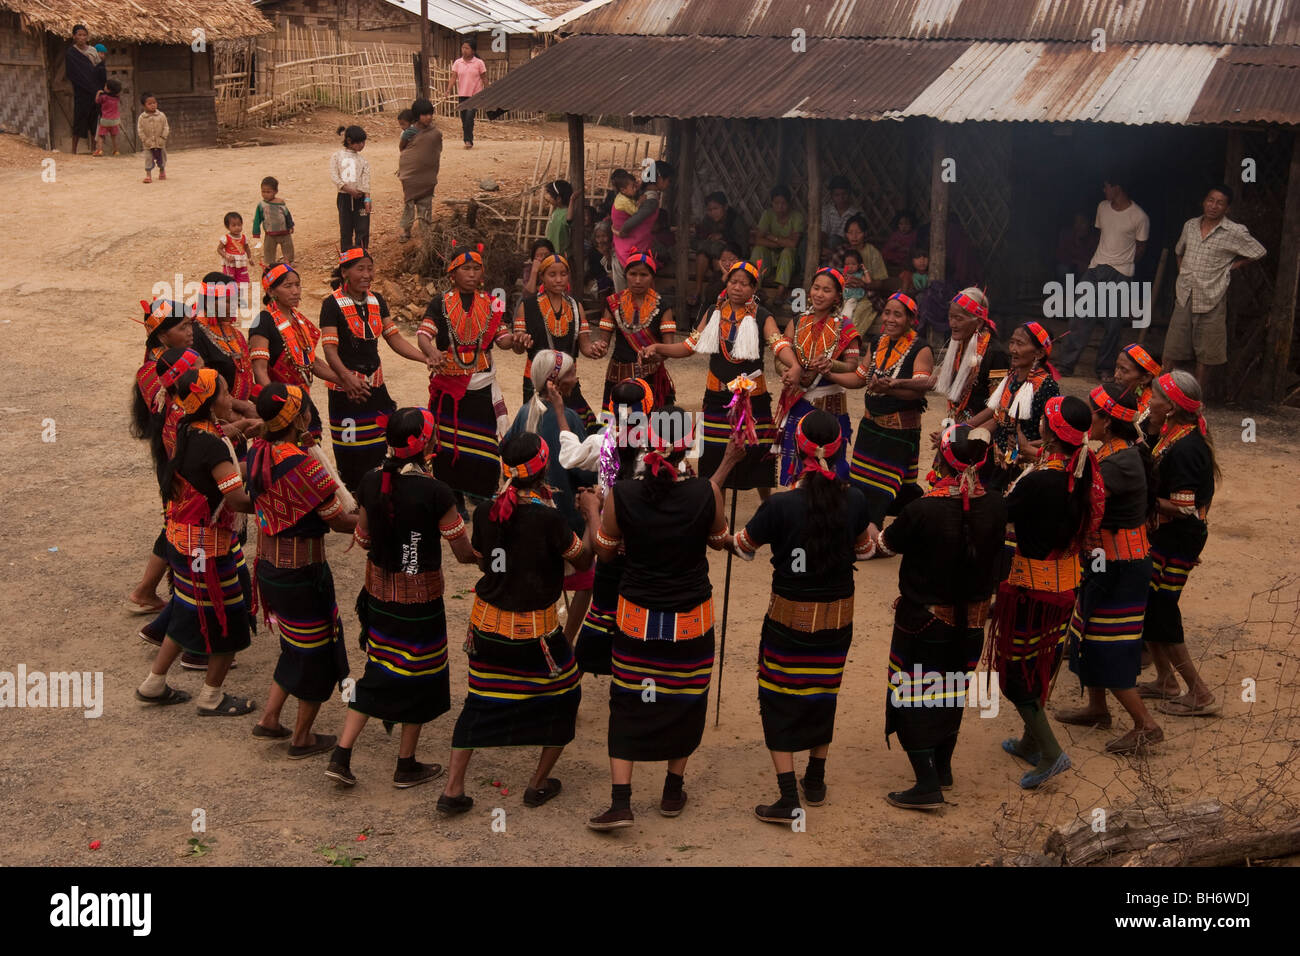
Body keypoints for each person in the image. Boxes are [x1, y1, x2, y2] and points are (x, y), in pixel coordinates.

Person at [437, 433, 599, 815]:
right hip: (536, 637)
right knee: (566, 695)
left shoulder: (485, 513)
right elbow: (584, 561)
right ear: (543, 470)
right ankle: (537, 784)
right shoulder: (548, 519)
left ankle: (453, 789)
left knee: (479, 701)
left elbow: (488, 562)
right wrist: (593, 513)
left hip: (486, 629)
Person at [725, 413, 874, 822]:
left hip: (787, 623)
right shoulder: (855, 499)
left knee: (778, 698)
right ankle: (815, 780)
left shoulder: (780, 504)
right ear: (839, 447)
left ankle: (789, 797)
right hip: (837, 622)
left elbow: (743, 546)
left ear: (800, 449)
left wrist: (719, 534)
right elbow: (865, 552)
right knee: (824, 693)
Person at [587, 406, 730, 830]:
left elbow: (605, 551)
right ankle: (671, 790)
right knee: (685, 701)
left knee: (628, 701)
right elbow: (720, 541)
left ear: (648, 441)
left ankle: (621, 802)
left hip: (636, 620)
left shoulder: (624, 494)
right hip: (690, 622)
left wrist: (592, 511)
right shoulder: (707, 492)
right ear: (687, 444)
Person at [325, 409, 477, 789]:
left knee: (381, 665)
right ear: (424, 444)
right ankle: (392, 762)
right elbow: (461, 551)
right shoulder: (435, 491)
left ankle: (360, 756)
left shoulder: (371, 481)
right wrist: (495, 555)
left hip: (378, 593)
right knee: (419, 675)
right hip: (420, 600)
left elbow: (361, 539)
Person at [876, 423, 1006, 809]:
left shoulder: (923, 508)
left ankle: (927, 782)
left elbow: (884, 544)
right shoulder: (997, 503)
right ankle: (943, 767)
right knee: (950, 690)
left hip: (925, 621)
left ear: (941, 460)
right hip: (973, 623)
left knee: (912, 697)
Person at [989, 395, 1103, 788]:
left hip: (1032, 589)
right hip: (1064, 586)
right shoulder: (1081, 470)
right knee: (1041, 660)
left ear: (1051, 433)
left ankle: (1052, 754)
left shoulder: (1041, 480)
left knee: (1016, 673)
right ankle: (1030, 741)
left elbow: (1003, 513)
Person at [135, 368, 256, 716]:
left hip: (183, 540)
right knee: (229, 617)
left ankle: (154, 683)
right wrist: (274, 498)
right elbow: (236, 499)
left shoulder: (190, 427)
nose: (230, 398)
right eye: (223, 393)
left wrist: (252, 438)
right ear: (208, 401)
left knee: (187, 609)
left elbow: (220, 467)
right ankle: (211, 697)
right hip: (205, 547)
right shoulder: (212, 445)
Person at [247, 384, 357, 756]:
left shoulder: (259, 451)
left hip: (268, 567)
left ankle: (270, 717)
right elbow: (339, 520)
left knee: (293, 643)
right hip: (302, 573)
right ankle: (302, 737)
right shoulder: (304, 464)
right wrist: (370, 522)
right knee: (317, 654)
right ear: (298, 418)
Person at [1055, 386, 1164, 755]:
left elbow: (1077, 500)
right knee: (1087, 634)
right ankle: (1098, 709)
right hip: (1108, 561)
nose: (1088, 419)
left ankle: (1146, 724)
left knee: (1108, 644)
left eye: (1092, 414)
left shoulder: (1117, 464)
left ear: (1107, 421)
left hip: (1120, 566)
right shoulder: (1118, 453)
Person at [646, 259, 780, 495]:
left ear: (754, 288)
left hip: (753, 397)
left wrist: (793, 365)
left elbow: (779, 345)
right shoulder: (712, 312)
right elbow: (689, 346)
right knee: (716, 453)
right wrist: (658, 347)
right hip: (717, 396)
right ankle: (717, 509)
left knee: (758, 454)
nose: (738, 287)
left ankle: (766, 506)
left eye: (745, 284)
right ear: (726, 283)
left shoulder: (763, 316)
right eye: (733, 282)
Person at [1140, 371, 1220, 718]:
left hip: (1177, 539)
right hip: (1166, 535)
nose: (1149, 400)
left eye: (1154, 396)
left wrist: (1141, 501)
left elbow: (1184, 507)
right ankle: (1165, 682)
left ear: (1170, 406)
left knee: (1162, 609)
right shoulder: (1173, 434)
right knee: (1151, 605)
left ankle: (1199, 692)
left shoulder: (1187, 448)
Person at [510, 351, 601, 643]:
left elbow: (507, 451)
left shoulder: (524, 412)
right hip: (564, 518)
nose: (576, 378)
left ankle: (537, 637)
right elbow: (583, 472)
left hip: (526, 515)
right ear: (555, 382)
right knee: (585, 583)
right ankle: (566, 642)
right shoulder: (570, 419)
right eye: (571, 374)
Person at [320, 248, 429, 492]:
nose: (367, 274)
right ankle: (356, 500)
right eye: (360, 268)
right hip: (346, 390)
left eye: (370, 268)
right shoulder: (331, 304)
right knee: (350, 449)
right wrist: (347, 380)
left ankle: (378, 492)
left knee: (379, 442)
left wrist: (425, 358)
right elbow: (329, 351)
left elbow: (394, 338)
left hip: (375, 385)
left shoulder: (377, 300)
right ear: (344, 272)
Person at [418, 244, 515, 515]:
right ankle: (453, 495)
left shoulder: (493, 303)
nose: (471, 274)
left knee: (484, 440)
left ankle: (481, 491)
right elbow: (424, 335)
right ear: (453, 273)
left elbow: (502, 338)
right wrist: (432, 352)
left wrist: (515, 342)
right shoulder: (440, 302)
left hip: (482, 380)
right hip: (450, 385)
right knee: (449, 442)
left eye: (476, 269)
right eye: (465, 269)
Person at [566, 378, 653, 675]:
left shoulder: (601, 441)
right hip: (644, 551)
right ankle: (636, 670)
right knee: (639, 619)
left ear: (612, 409)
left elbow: (569, 457)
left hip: (608, 544)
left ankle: (584, 672)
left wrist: (593, 507)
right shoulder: (658, 450)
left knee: (603, 613)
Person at [830, 292, 934, 527]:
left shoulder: (921, 349)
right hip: (870, 428)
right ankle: (896, 528)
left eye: (898, 314)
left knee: (882, 489)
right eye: (887, 313)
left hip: (898, 433)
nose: (890, 319)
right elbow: (859, 378)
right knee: (862, 484)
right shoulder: (877, 343)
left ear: (910, 320)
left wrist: (891, 388)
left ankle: (874, 534)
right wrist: (827, 373)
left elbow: (920, 387)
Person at [127, 301, 196, 616]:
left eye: (190, 325)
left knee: (178, 520)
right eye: (183, 327)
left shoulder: (173, 359)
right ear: (162, 336)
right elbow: (184, 411)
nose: (191, 332)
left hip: (184, 451)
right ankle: (148, 589)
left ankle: (148, 589)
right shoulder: (152, 371)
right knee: (179, 521)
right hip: (176, 455)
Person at [1168, 184, 1267, 389]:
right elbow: (1179, 251)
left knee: (1206, 354)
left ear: (1227, 208)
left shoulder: (1234, 231)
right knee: (1173, 349)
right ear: (1204, 202)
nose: (1213, 206)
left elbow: (1258, 251)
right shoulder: (1190, 226)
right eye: (1210, 200)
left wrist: (1232, 266)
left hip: (1211, 297)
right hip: (1185, 294)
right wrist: (1183, 273)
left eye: (1219, 203)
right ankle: (1162, 393)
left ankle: (1197, 401)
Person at [1053, 174, 1149, 380]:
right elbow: (1100, 236)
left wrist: (1123, 264)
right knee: (1080, 317)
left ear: (1118, 188)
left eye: (1106, 187)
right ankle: (1066, 365)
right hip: (1096, 268)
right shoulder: (1102, 208)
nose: (1104, 191)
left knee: (1113, 323)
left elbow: (1141, 247)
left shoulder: (1139, 216)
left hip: (1121, 273)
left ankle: (1105, 368)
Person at [770, 267, 860, 484]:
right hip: (799, 401)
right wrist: (788, 372)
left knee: (835, 462)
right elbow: (779, 358)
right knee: (797, 463)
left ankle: (834, 508)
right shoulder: (798, 321)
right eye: (816, 288)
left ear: (838, 296)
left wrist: (831, 365)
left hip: (830, 404)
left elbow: (852, 365)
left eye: (826, 290)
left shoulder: (846, 327)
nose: (819, 294)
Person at [249, 264, 340, 444]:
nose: (295, 291)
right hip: (281, 407)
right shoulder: (263, 321)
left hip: (304, 403)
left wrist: (344, 379)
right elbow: (259, 369)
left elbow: (310, 361)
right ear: (271, 291)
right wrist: (278, 405)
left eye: (297, 285)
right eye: (288, 286)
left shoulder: (298, 320)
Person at [512, 253, 602, 431]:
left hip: (567, 381)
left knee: (577, 428)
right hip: (536, 381)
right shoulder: (527, 306)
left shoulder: (576, 306)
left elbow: (585, 347)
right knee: (539, 430)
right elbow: (518, 349)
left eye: (563, 274)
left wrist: (597, 348)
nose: (559, 279)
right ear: (542, 277)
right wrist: (520, 342)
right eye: (552, 275)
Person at [976, 321, 1060, 493]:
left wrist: (1026, 447)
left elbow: (1054, 435)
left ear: (1039, 352)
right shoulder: (1012, 377)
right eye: (1012, 342)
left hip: (1026, 466)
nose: (1013, 349)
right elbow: (998, 418)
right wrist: (968, 433)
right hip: (999, 462)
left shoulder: (1047, 386)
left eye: (1020, 344)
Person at [593, 250, 676, 408]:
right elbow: (604, 344)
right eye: (633, 274)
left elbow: (669, 349)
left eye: (644, 275)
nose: (638, 280)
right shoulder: (613, 303)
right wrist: (598, 348)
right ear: (625, 275)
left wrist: (654, 357)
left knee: (650, 426)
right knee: (617, 424)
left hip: (650, 376)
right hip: (617, 375)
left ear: (652, 276)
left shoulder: (663, 306)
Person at [928, 289, 1008, 440]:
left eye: (958, 318)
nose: (952, 324)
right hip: (957, 430)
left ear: (978, 322)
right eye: (950, 317)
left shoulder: (995, 354)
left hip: (980, 436)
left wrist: (959, 431)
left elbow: (997, 405)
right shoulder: (960, 345)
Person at [613, 163, 674, 290]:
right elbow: (631, 222)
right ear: (659, 178)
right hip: (631, 247)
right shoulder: (650, 201)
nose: (669, 184)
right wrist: (621, 232)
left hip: (632, 245)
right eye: (668, 180)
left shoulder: (639, 193)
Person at [690, 192, 749, 308]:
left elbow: (743, 248)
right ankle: (697, 290)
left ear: (725, 207)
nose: (713, 213)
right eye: (710, 210)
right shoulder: (708, 220)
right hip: (712, 255)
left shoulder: (736, 221)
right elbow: (696, 241)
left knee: (719, 260)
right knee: (701, 255)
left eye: (716, 208)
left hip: (731, 259)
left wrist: (724, 239)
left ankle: (722, 295)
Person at [832, 216, 888, 337]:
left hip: (867, 296)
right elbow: (831, 277)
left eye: (858, 232)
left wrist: (864, 284)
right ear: (846, 234)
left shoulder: (873, 252)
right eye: (850, 233)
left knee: (856, 318)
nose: (854, 236)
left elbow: (880, 283)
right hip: (843, 294)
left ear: (865, 233)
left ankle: (849, 345)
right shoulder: (841, 252)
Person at [750, 185, 805, 305]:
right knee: (758, 250)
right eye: (776, 203)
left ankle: (780, 293)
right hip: (770, 257)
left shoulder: (796, 217)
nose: (780, 207)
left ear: (789, 203)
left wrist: (770, 236)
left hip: (790, 261)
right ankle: (756, 289)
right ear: (772, 203)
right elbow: (757, 240)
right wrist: (781, 242)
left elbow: (793, 244)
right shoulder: (768, 215)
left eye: (783, 203)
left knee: (787, 252)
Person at [398, 99, 442, 243]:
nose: (428, 117)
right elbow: (403, 150)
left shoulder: (435, 133)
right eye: (424, 114)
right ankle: (406, 230)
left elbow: (435, 151)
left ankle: (425, 232)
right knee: (409, 202)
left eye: (430, 114)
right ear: (417, 115)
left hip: (427, 176)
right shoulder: (409, 133)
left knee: (426, 203)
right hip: (411, 176)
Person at [330, 125, 371, 252]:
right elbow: (334, 176)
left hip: (361, 199)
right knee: (345, 228)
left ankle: (361, 254)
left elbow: (366, 181)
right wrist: (348, 189)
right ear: (349, 141)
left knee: (363, 228)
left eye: (364, 142)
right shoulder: (337, 156)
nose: (362, 145)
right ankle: (347, 258)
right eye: (359, 142)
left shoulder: (363, 161)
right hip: (344, 198)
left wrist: (367, 199)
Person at [65, 26, 104, 155]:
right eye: (79, 35)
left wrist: (100, 88)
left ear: (87, 37)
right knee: (79, 118)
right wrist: (85, 83)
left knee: (94, 118)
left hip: (95, 91)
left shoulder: (93, 51)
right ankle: (73, 150)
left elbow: (99, 68)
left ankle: (94, 148)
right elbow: (72, 73)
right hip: (81, 91)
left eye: (84, 35)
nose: (82, 38)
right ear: (74, 36)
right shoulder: (71, 53)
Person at [1114, 342, 1161, 428]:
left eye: (1124, 370)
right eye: (1117, 367)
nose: (1116, 375)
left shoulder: (1148, 412)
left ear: (1145, 378)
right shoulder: (1128, 395)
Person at [251, 176, 295, 270]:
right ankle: (270, 265)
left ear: (275, 191)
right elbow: (257, 219)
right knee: (269, 250)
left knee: (288, 247)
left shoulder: (280, 203)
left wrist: (290, 226)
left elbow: (287, 214)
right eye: (263, 191)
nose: (265, 194)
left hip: (284, 232)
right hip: (270, 233)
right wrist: (256, 232)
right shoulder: (261, 205)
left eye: (268, 192)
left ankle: (288, 261)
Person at [449, 40, 487, 149]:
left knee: (470, 117)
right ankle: (468, 138)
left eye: (467, 48)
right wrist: (448, 90)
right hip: (462, 95)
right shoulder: (458, 63)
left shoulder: (479, 63)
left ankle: (468, 141)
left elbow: (484, 77)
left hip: (475, 95)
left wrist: (488, 90)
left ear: (473, 51)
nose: (464, 50)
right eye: (463, 48)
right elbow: (453, 77)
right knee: (464, 119)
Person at [820, 176, 862, 252]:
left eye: (844, 194)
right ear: (832, 196)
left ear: (849, 194)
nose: (841, 198)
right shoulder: (826, 210)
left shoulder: (856, 214)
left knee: (834, 239)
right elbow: (823, 232)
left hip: (845, 250)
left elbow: (853, 239)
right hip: (826, 246)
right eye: (837, 195)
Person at [1055, 211, 1099, 282]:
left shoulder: (1094, 238)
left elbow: (1096, 259)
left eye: (1082, 222)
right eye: (1077, 222)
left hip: (1088, 270)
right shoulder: (1066, 234)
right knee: (1062, 269)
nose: (1079, 226)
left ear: (1089, 223)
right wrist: (1077, 262)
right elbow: (1060, 256)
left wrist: (1086, 265)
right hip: (1071, 268)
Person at [216, 214, 252, 294]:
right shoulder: (226, 238)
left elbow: (247, 248)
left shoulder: (244, 237)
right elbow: (219, 249)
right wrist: (226, 256)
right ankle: (230, 295)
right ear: (227, 227)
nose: (237, 227)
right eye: (234, 225)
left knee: (242, 278)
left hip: (241, 263)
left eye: (239, 225)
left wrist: (250, 258)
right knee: (229, 278)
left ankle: (239, 294)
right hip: (231, 263)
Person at [137, 93, 169, 183]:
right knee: (148, 158)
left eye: (154, 103)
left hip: (160, 142)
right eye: (150, 104)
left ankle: (162, 171)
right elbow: (140, 130)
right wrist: (144, 140)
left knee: (162, 157)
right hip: (148, 144)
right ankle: (148, 175)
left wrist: (163, 137)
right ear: (144, 105)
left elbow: (166, 127)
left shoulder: (161, 116)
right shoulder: (142, 118)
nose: (153, 105)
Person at [544, 180, 575, 257]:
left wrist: (572, 200)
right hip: (551, 250)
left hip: (560, 252)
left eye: (549, 194)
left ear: (558, 199)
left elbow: (569, 219)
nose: (546, 196)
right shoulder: (557, 210)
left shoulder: (565, 212)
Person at [94, 78, 122, 156]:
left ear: (109, 89)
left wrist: (98, 93)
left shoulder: (104, 97)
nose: (104, 86)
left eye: (106, 86)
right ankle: (116, 151)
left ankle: (99, 150)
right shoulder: (117, 98)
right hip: (115, 120)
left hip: (105, 120)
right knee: (114, 136)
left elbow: (97, 101)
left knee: (100, 135)